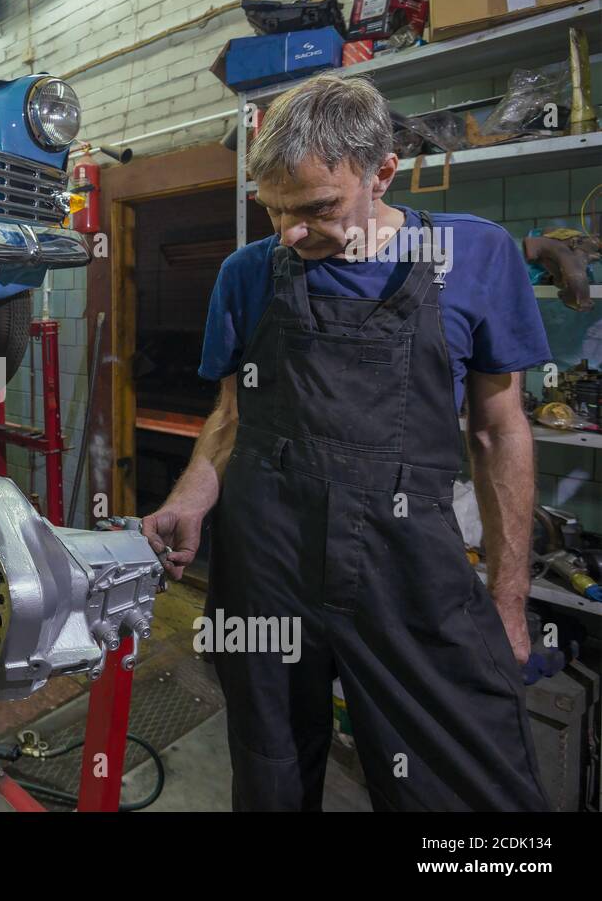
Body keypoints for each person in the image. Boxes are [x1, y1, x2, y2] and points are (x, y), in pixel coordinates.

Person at [142, 73, 551, 811]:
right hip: (265, 563)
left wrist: (509, 599)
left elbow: (499, 431)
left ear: (382, 173)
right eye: (272, 212)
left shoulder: (476, 257)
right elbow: (232, 415)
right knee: (268, 770)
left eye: (317, 209)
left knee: (466, 792)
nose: (290, 236)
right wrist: (190, 500)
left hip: (409, 573)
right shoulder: (246, 276)